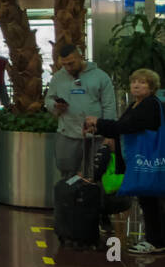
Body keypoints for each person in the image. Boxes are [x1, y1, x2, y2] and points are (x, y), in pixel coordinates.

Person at [86, 68, 165, 254]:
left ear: (152, 87)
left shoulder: (150, 105)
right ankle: (155, 239)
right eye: (134, 81)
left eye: (143, 82)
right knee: (148, 199)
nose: (136, 85)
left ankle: (157, 241)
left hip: (147, 159)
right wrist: (98, 128)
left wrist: (99, 122)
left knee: (151, 200)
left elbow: (127, 126)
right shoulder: (136, 104)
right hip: (139, 159)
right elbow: (120, 127)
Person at [45, 43, 116, 178]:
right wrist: (55, 106)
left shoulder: (101, 77)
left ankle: (93, 197)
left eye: (71, 63)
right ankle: (69, 197)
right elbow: (48, 100)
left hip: (96, 135)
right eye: (64, 64)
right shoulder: (58, 77)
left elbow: (109, 105)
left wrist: (109, 134)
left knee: (96, 173)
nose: (68, 68)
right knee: (67, 172)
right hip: (67, 133)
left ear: (81, 57)